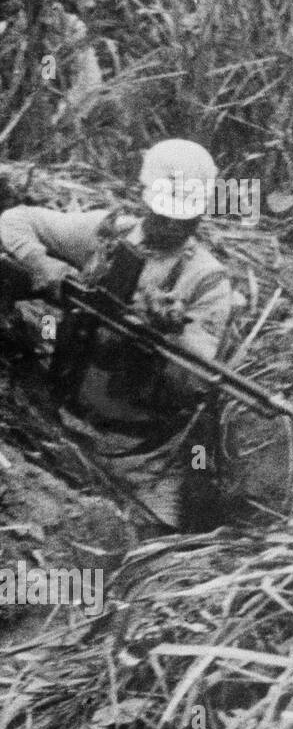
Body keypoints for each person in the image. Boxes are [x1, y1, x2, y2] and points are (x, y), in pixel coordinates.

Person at [0, 139, 235, 531]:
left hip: (137, 455)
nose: (174, 224)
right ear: (145, 199)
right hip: (57, 413)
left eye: (185, 218)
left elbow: (194, 378)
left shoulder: (207, 280)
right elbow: (13, 221)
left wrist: (168, 332)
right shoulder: (107, 234)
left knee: (152, 546)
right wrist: (46, 267)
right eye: (164, 214)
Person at [0, 0, 104, 158]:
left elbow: (89, 80)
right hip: (12, 125)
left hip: (57, 122)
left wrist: (64, 116)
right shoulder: (6, 31)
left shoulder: (70, 28)